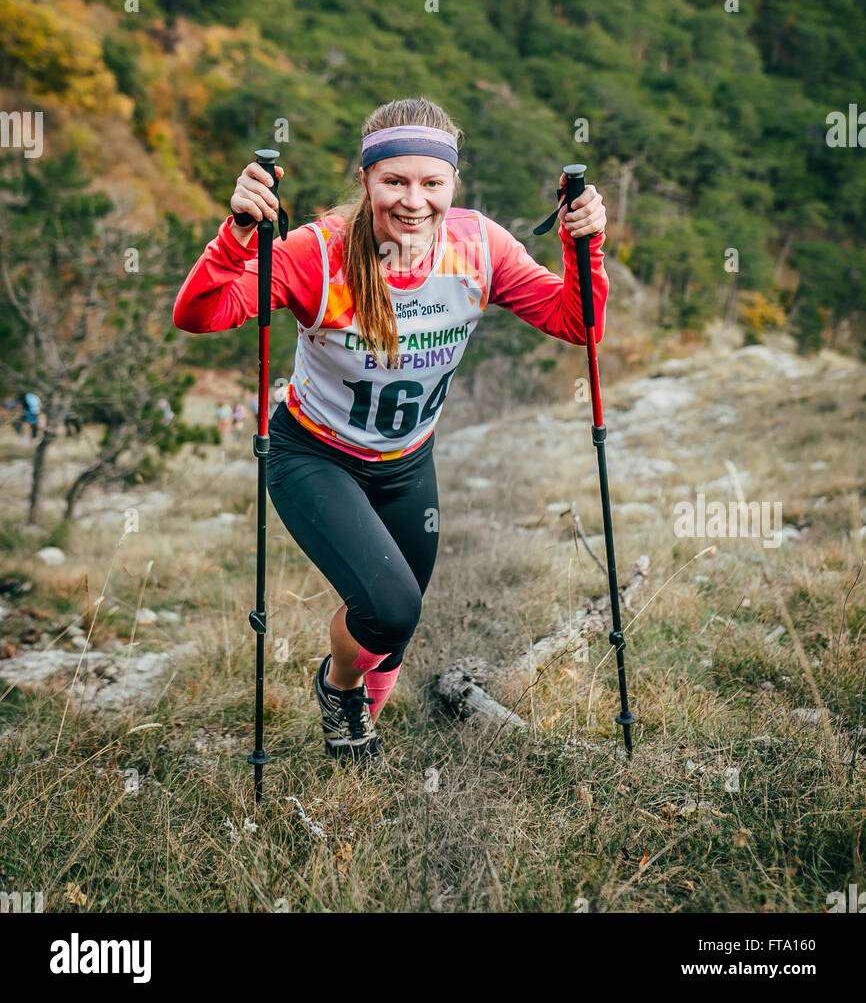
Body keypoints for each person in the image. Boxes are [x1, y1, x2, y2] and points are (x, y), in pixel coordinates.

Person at [173, 97, 609, 767]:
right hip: (313, 455)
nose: (414, 201)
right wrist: (234, 235)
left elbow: (576, 323)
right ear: (366, 179)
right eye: (394, 182)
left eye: (432, 183)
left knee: (394, 627)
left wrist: (586, 247)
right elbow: (199, 315)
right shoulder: (314, 254)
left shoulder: (478, 247)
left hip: (407, 461)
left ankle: (356, 728)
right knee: (390, 607)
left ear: (452, 185)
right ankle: (337, 689)